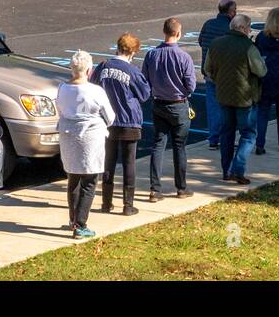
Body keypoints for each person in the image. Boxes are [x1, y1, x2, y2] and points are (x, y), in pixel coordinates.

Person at [56, 50, 115, 239]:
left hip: (68, 137)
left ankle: (73, 218)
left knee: (73, 179)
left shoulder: (62, 89)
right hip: (90, 139)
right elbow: (110, 117)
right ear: (89, 70)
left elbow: (61, 109)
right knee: (89, 182)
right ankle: (80, 225)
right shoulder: (95, 91)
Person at [91, 34, 151, 216]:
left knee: (108, 162)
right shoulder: (132, 71)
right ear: (132, 52)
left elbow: (93, 86)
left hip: (107, 122)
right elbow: (144, 94)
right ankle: (128, 205)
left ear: (118, 47)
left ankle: (106, 203)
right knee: (128, 163)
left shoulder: (103, 67)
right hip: (129, 120)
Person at [203, 14, 266, 184]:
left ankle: (226, 170)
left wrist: (219, 78)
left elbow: (207, 68)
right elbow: (261, 71)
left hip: (223, 96)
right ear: (243, 28)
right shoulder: (248, 47)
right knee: (248, 134)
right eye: (249, 27)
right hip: (245, 97)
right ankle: (238, 169)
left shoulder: (215, 44)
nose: (249, 30)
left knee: (226, 134)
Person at [144, 17, 196, 201]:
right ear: (178, 33)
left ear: (164, 32)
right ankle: (181, 188)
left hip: (158, 103)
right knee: (179, 146)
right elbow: (191, 85)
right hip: (178, 105)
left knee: (158, 144)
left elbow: (145, 79)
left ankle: (155, 190)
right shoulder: (184, 57)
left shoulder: (151, 55)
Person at [252, 7, 279, 154]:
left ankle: (260, 144)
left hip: (266, 79)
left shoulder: (262, 38)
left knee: (263, 112)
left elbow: (256, 57)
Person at [198, 0, 236, 150]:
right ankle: (226, 139)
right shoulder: (230, 27)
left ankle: (213, 139)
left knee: (213, 107)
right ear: (231, 12)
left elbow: (201, 41)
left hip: (209, 72)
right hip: (226, 73)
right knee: (227, 108)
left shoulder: (208, 24)